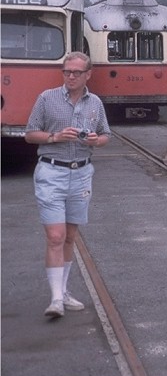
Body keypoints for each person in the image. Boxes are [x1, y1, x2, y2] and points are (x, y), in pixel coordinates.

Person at [24, 51, 111, 319]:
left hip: (81, 174)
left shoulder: (95, 102)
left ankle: (64, 293)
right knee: (55, 237)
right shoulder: (47, 98)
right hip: (52, 172)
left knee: (70, 237)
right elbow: (29, 134)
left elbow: (106, 134)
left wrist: (96, 141)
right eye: (66, 72)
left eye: (76, 72)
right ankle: (55, 300)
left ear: (88, 74)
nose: (70, 76)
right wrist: (55, 136)